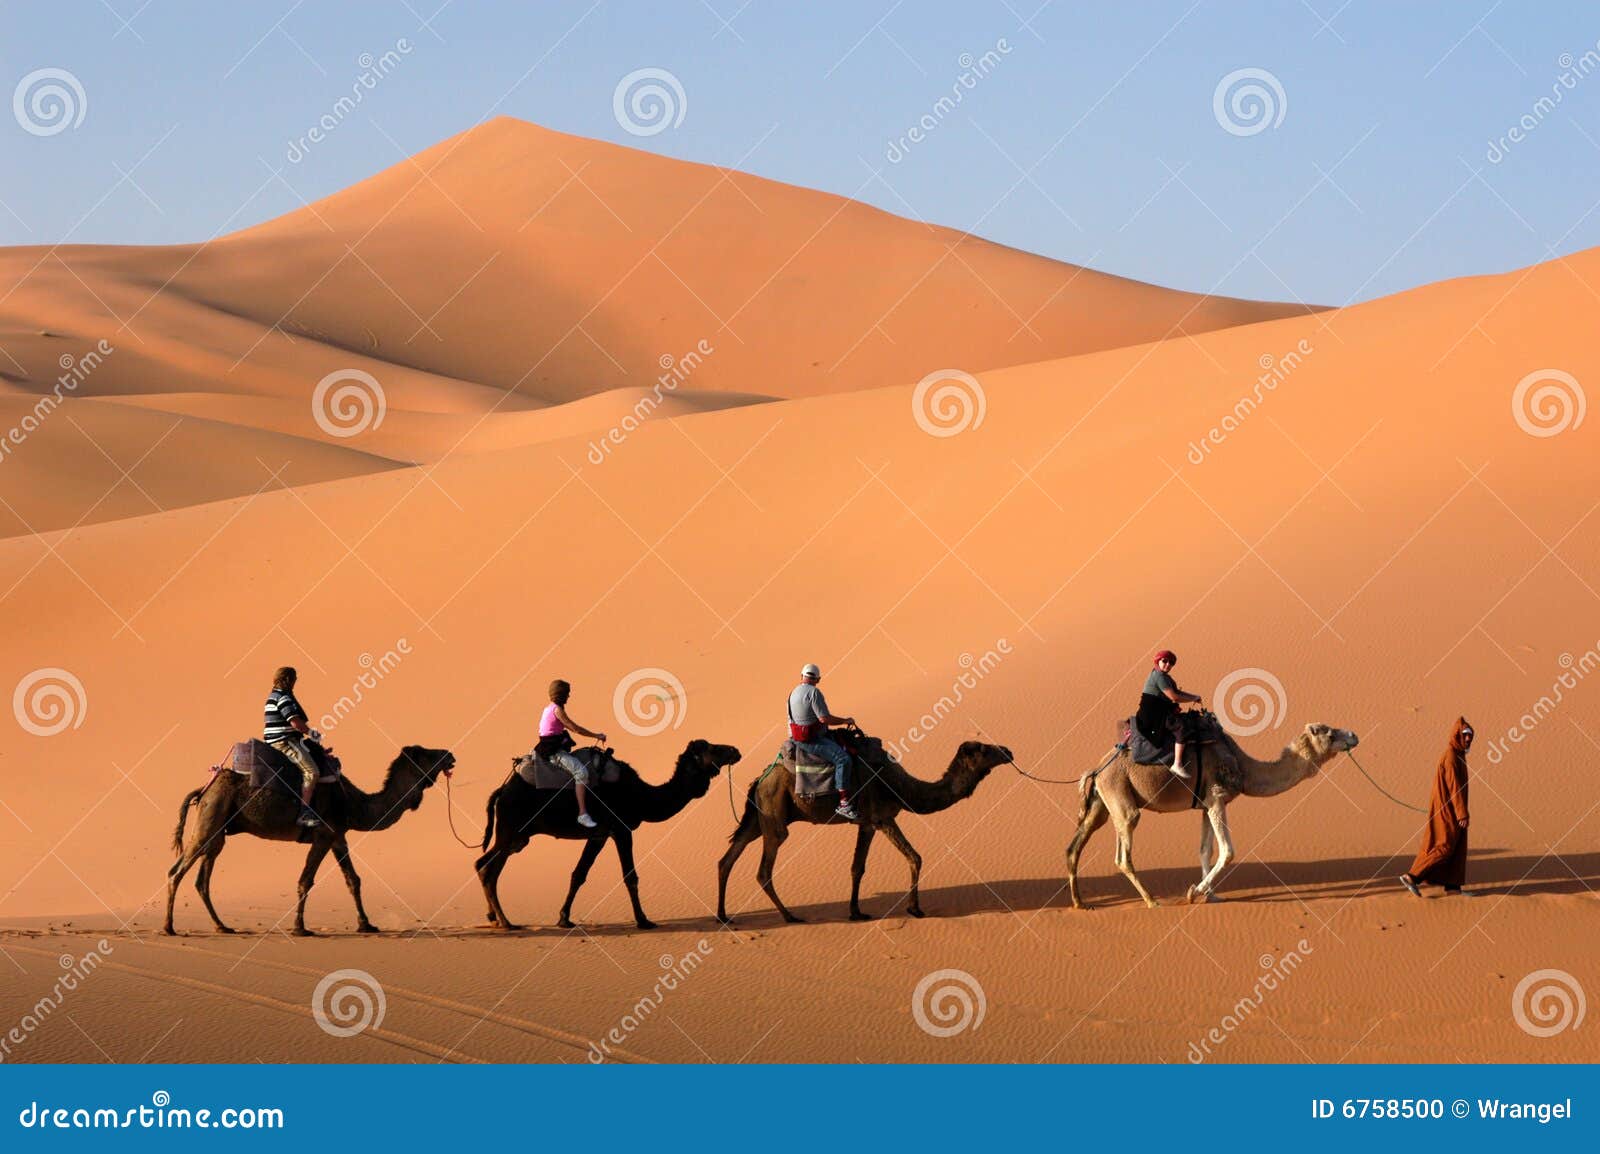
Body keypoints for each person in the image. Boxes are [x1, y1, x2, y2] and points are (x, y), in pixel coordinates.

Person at [1399, 718, 1474, 898]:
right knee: (1444, 846)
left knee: (1457, 847)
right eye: (1465, 736)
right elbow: (1454, 787)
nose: (1468, 740)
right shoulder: (1450, 757)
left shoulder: (1458, 755)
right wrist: (1461, 813)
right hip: (1448, 811)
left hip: (1454, 810)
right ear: (1457, 735)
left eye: (1470, 736)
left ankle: (1453, 886)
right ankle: (1412, 876)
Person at [788, 662, 859, 820]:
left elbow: (791, 720)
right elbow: (824, 718)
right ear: (818, 679)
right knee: (843, 759)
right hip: (811, 740)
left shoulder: (792, 693)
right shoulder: (814, 693)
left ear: (801, 677)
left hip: (797, 738)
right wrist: (845, 720)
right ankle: (844, 804)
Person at [537, 680, 607, 829]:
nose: (569, 695)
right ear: (560, 694)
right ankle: (582, 814)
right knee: (581, 773)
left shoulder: (548, 708)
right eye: (566, 693)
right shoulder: (557, 710)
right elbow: (575, 729)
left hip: (552, 748)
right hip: (554, 753)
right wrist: (596, 735)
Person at [264, 666, 325, 828]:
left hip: (280, 740)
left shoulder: (274, 696)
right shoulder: (283, 698)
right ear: (288, 680)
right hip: (284, 741)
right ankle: (304, 813)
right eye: (294, 678)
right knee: (312, 772)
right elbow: (295, 722)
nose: (296, 681)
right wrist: (312, 733)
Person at [1135, 649, 1205, 778]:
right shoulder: (1159, 676)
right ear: (1157, 661)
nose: (1168, 664)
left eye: (1171, 663)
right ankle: (1177, 764)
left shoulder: (1164, 677)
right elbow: (1174, 697)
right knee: (1181, 727)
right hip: (1153, 716)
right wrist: (1192, 699)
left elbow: (1177, 692)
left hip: (1159, 712)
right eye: (1165, 661)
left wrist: (1194, 696)